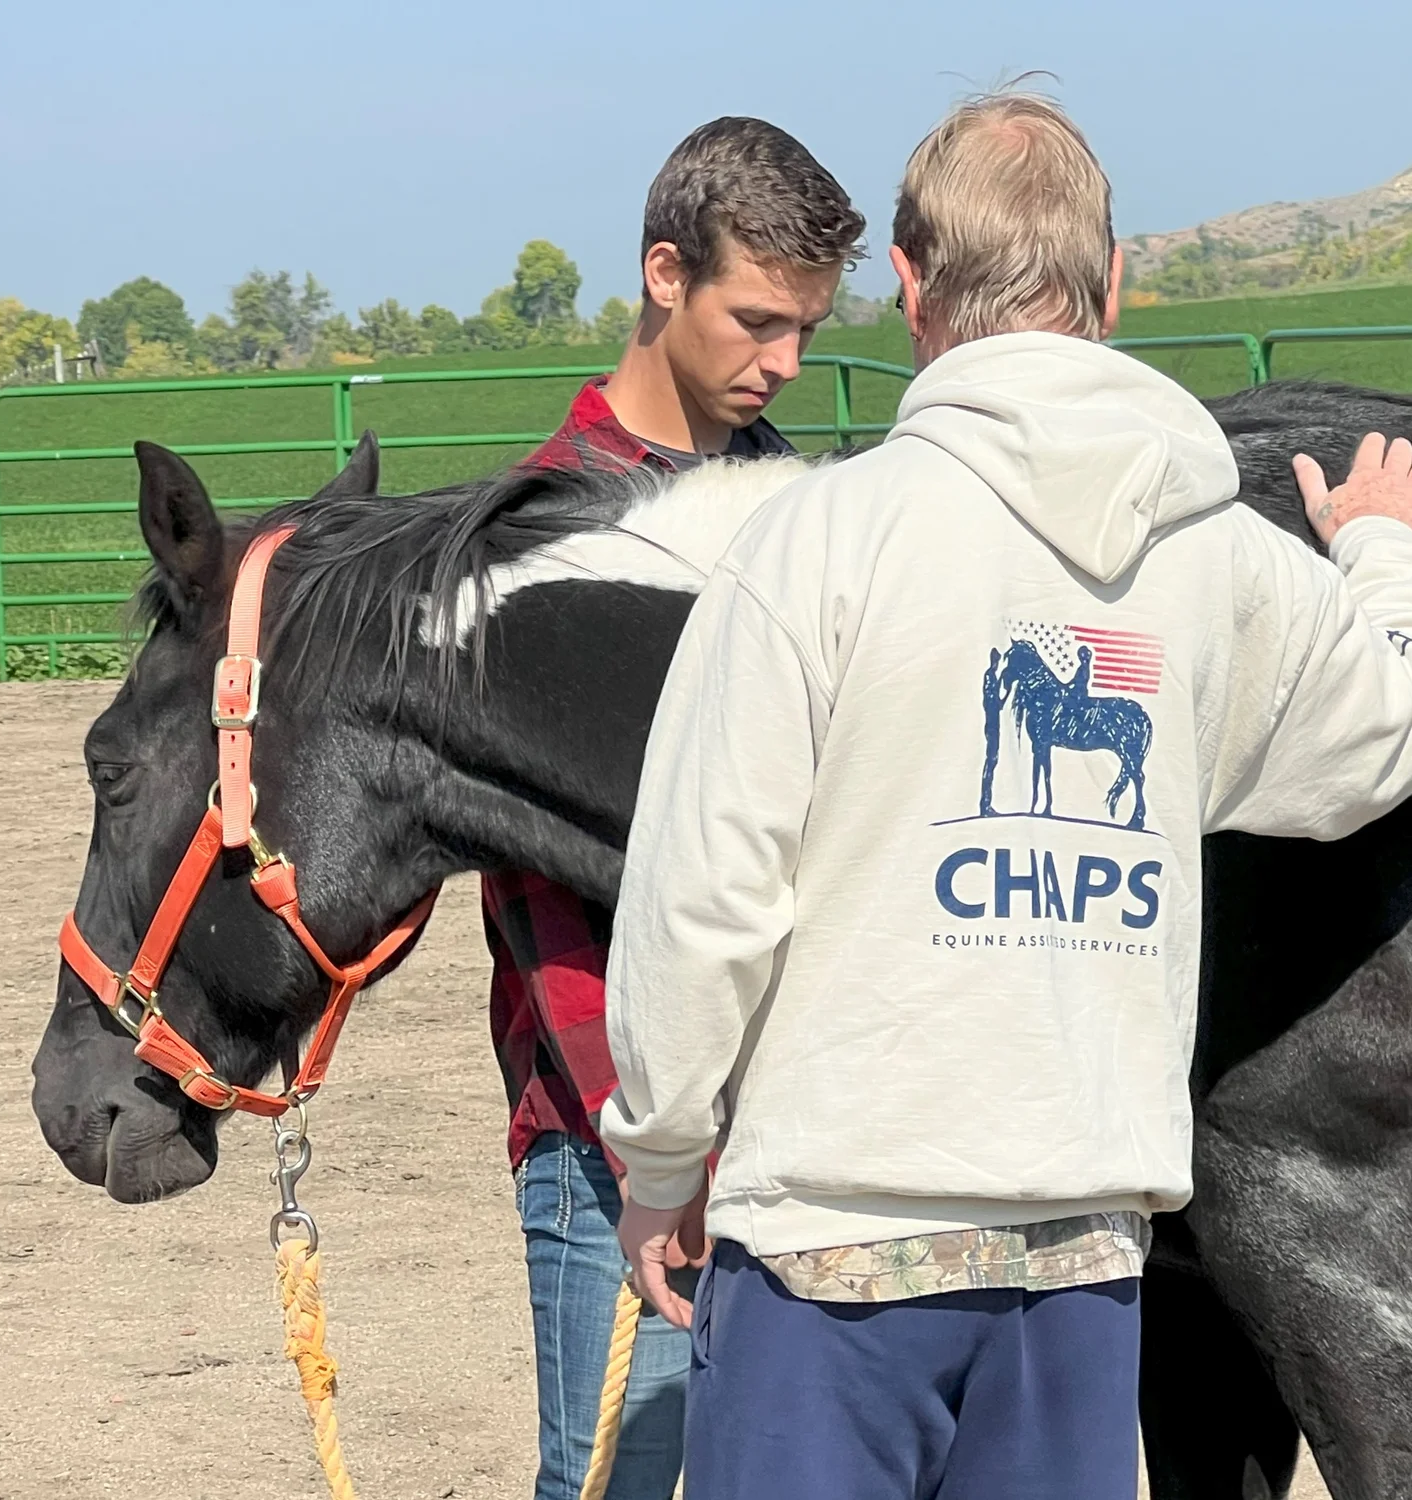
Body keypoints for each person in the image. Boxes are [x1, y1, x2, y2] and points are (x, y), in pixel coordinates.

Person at [602, 91, 1412, 1500]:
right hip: (1079, 1270)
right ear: (1113, 286)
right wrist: (1383, 554)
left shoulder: (815, 540)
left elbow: (705, 899)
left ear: (906, 285)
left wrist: (660, 1158)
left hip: (831, 1252)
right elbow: (1398, 719)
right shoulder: (1214, 561)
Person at [484, 117, 864, 1500]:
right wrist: (659, 1136)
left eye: (810, 331)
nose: (786, 365)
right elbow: (538, 886)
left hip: (800, 1120)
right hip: (615, 1140)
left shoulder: (809, 507)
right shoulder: (543, 528)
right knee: (618, 1483)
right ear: (662, 273)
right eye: (759, 322)